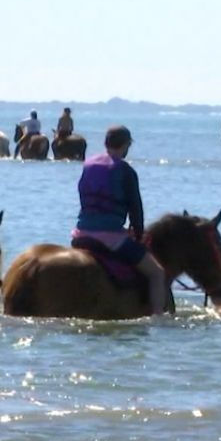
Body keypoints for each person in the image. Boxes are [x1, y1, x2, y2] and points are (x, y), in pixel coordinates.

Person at [71, 126, 167, 315]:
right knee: (157, 273)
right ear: (126, 145)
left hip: (80, 234)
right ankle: (157, 316)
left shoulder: (88, 164)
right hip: (110, 238)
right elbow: (135, 209)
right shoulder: (125, 170)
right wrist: (138, 235)